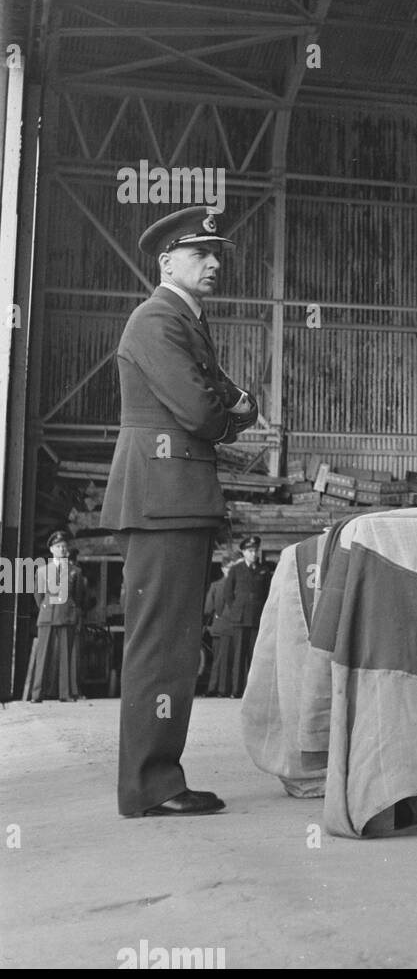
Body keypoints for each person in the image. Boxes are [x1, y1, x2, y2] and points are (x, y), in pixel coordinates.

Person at [100, 207, 259, 817]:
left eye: (218, 253)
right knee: (160, 646)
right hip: (162, 498)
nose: (215, 263)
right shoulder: (157, 321)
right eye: (201, 254)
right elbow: (206, 411)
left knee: (173, 644)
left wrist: (228, 403)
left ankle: (159, 777)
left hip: (177, 499)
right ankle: (149, 785)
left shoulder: (186, 322)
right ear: (167, 262)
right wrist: (227, 405)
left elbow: (230, 403)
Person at [29, 531, 88, 702]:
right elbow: (38, 595)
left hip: (66, 615)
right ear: (51, 550)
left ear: (67, 550)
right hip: (47, 615)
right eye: (58, 546)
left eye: (64, 546)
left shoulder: (75, 571)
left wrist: (70, 610)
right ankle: (36, 694)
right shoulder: (42, 571)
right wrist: (45, 608)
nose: (61, 549)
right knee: (43, 655)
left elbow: (77, 596)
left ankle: (65, 693)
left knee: (65, 656)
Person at [223, 536, 270, 696]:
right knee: (238, 657)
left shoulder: (263, 569)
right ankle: (236, 690)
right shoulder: (236, 570)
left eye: (255, 550)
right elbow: (228, 594)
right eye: (250, 551)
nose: (253, 553)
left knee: (254, 656)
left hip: (256, 619)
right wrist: (236, 610)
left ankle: (252, 691)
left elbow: (267, 593)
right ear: (243, 552)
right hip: (240, 619)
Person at [205, 556, 241, 696]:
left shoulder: (215, 586)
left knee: (218, 660)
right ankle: (224, 689)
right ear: (224, 568)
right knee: (230, 660)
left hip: (219, 625)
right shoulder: (235, 585)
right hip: (232, 626)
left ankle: (214, 688)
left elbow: (208, 608)